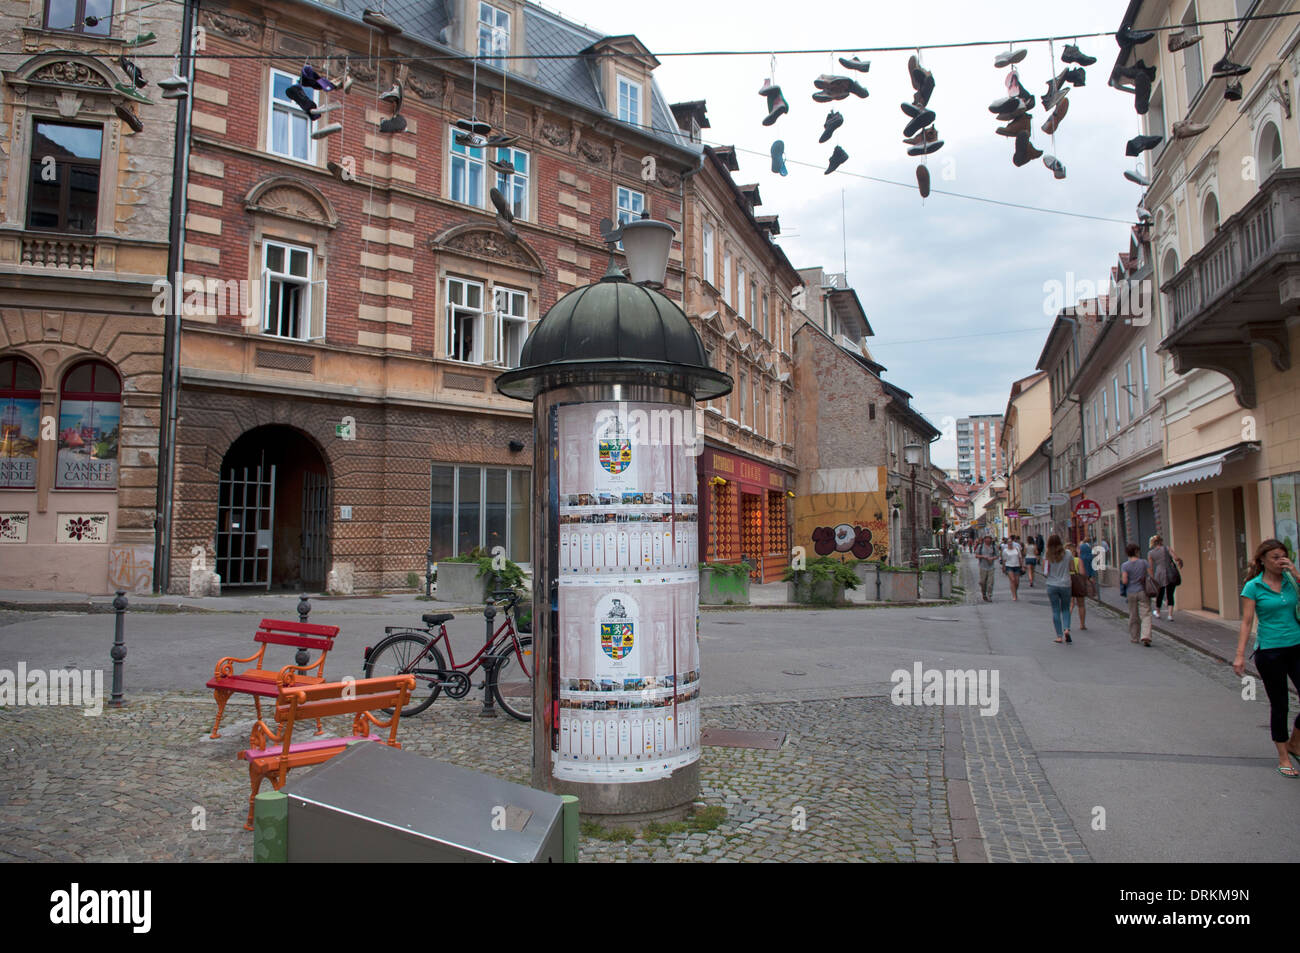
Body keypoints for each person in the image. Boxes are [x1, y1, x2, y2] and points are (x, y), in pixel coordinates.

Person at [1232, 539, 1300, 778]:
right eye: (1275, 557)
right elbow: (1247, 622)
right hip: (1270, 652)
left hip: (1297, 646)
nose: (1280, 560)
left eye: (1283, 555)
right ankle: (1283, 757)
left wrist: (1295, 572)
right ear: (1262, 560)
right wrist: (1240, 655)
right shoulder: (1253, 586)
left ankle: (1294, 742)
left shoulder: (1292, 580)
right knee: (1281, 704)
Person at [1120, 543, 1152, 646]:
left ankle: (1134, 637)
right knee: (1146, 614)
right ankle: (1146, 636)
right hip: (1143, 591)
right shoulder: (1143, 562)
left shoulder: (1125, 565)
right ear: (1136, 551)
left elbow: (1124, 581)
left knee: (1133, 615)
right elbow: (1151, 575)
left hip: (1131, 592)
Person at [1042, 535, 1072, 643]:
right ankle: (1067, 629)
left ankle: (1059, 636)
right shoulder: (1068, 553)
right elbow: (1072, 568)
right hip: (1065, 584)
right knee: (1065, 608)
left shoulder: (1047, 555)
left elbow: (1044, 572)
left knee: (1055, 610)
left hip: (1052, 585)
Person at [1146, 534, 1183, 621]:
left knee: (1160, 593)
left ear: (1153, 543)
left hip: (1159, 574)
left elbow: (1150, 567)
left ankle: (1158, 612)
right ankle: (1170, 615)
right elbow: (1176, 558)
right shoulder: (1167, 548)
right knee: (1170, 593)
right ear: (1161, 541)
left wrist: (1152, 577)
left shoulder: (1150, 553)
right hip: (1170, 573)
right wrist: (1179, 561)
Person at [1066, 543, 1088, 630]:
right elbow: (1082, 573)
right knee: (1081, 604)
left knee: (1070, 604)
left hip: (1067, 582)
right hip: (1077, 583)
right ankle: (1082, 624)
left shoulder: (1064, 560)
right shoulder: (1078, 560)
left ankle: (1066, 624)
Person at [975, 534, 998, 602]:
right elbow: (976, 555)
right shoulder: (981, 546)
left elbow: (997, 555)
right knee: (983, 582)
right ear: (984, 539)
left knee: (990, 582)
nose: (988, 540)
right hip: (983, 567)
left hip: (991, 567)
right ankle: (984, 594)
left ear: (991, 539)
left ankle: (989, 595)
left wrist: (992, 558)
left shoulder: (993, 546)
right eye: (986, 538)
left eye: (989, 538)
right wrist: (983, 557)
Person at [1001, 535, 1024, 600]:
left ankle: (1015, 591)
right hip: (1009, 566)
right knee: (1012, 580)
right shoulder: (1005, 551)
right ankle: (1014, 595)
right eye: (1009, 542)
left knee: (1017, 582)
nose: (1010, 543)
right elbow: (1004, 560)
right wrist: (1003, 567)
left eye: (1011, 542)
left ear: (1012, 543)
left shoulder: (1017, 549)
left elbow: (1020, 558)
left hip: (1017, 566)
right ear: (1007, 543)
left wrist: (1022, 566)